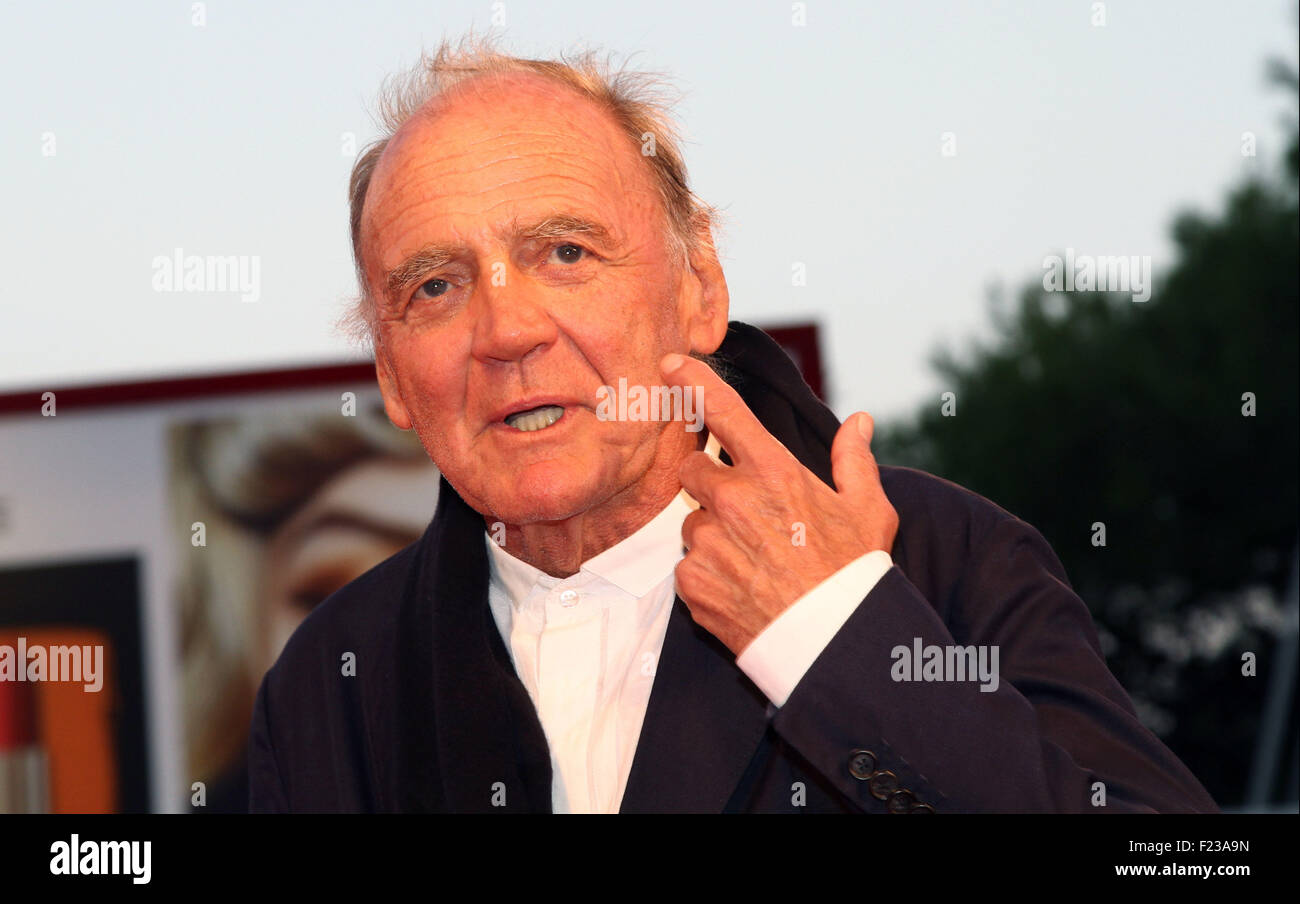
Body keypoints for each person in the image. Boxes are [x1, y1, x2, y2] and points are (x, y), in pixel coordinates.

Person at [248, 36, 1218, 813]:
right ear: (392, 376)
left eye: (566, 252)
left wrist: (834, 638)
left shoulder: (941, 564)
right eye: (434, 285)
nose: (504, 329)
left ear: (698, 286)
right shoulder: (331, 684)